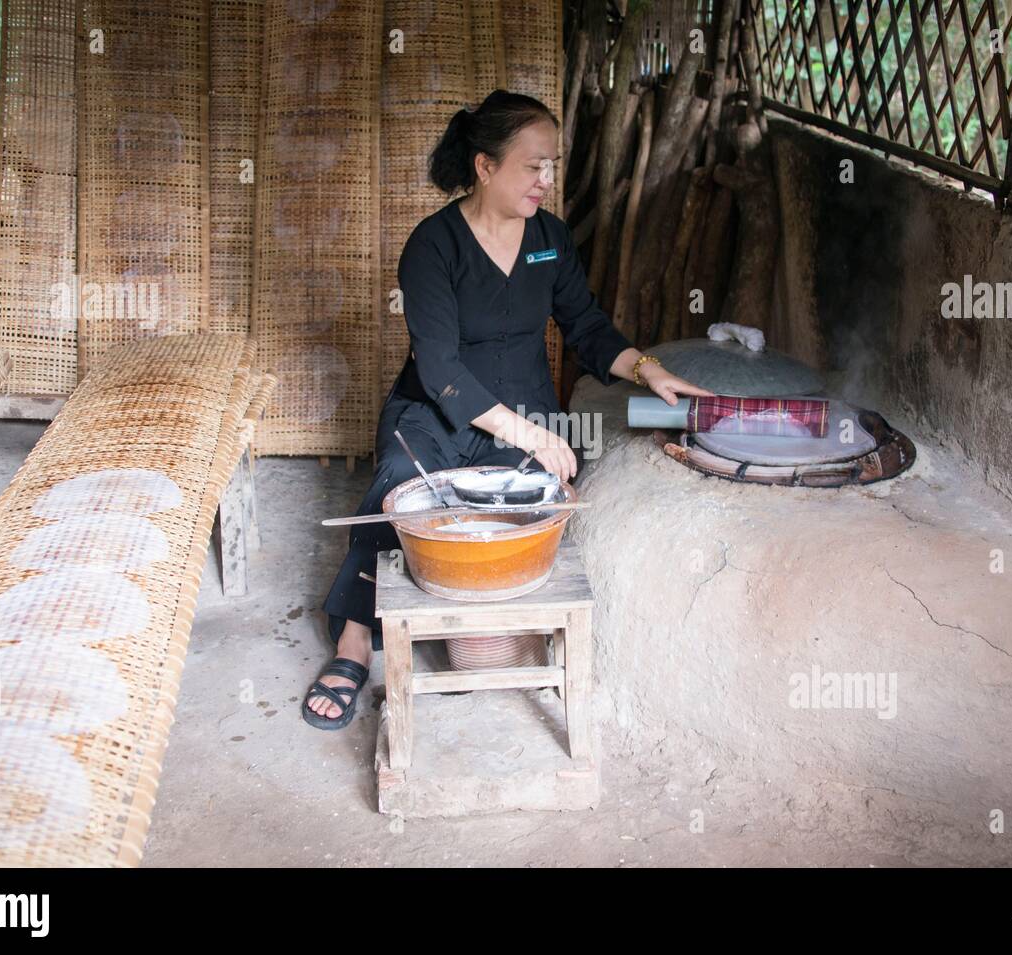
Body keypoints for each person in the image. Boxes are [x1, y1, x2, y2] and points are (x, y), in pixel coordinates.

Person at [304, 90, 713, 729]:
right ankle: (354, 641)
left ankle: (482, 627)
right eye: (532, 166)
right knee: (399, 493)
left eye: (552, 165)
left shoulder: (549, 238)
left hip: (525, 409)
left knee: (527, 506)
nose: (546, 180)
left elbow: (586, 325)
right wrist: (530, 433)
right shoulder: (432, 245)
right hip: (431, 413)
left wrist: (648, 370)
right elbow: (439, 368)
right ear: (485, 166)